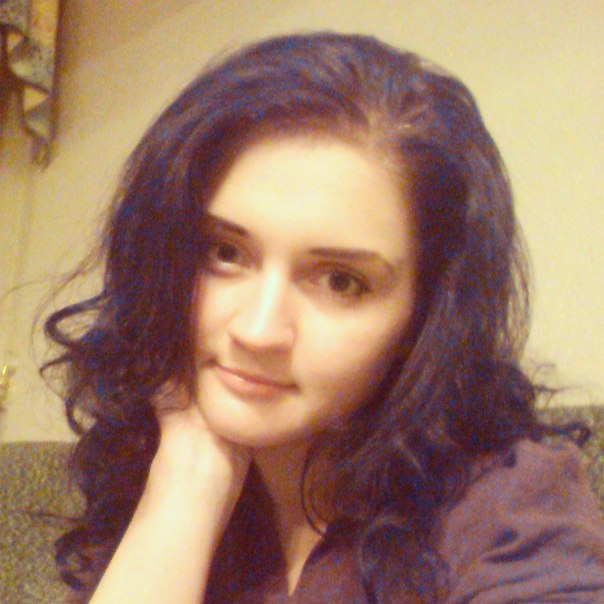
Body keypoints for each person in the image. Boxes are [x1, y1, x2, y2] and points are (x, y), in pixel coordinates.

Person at [42, 32, 604, 603]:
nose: (257, 331)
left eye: (341, 282)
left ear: (424, 316)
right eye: (225, 253)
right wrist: (186, 484)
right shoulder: (152, 472)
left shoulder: (507, 506)